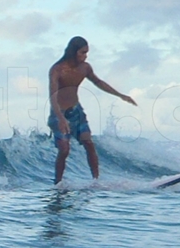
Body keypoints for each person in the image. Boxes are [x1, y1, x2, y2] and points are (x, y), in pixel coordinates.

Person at [48, 37, 137, 185]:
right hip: (59, 113)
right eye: (83, 52)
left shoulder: (85, 68)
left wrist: (120, 95)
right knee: (64, 150)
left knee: (88, 143)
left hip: (76, 111)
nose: (85, 56)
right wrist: (60, 118)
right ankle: (58, 184)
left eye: (86, 52)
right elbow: (53, 95)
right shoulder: (57, 69)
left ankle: (96, 180)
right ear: (74, 52)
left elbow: (98, 82)